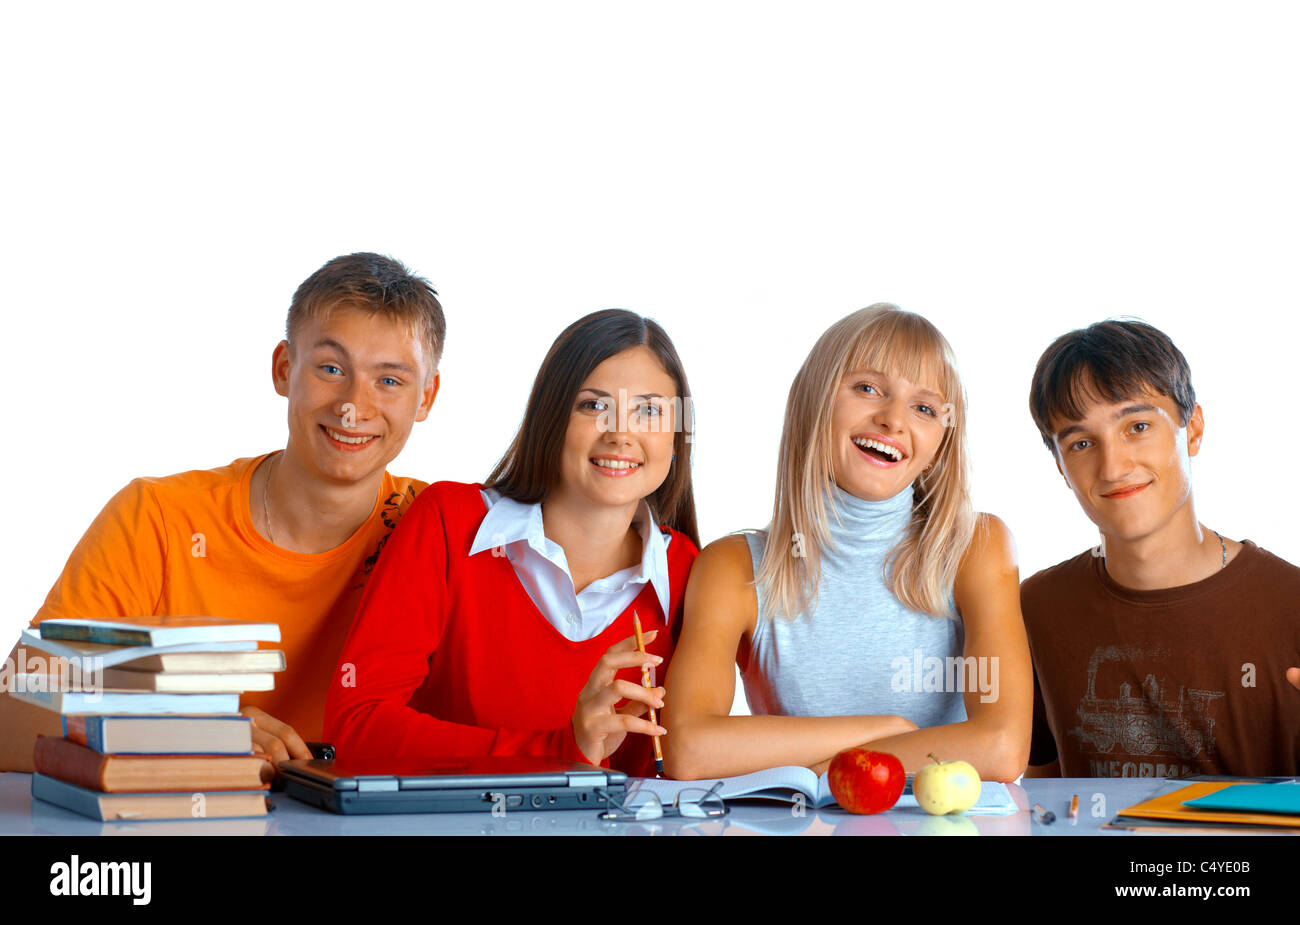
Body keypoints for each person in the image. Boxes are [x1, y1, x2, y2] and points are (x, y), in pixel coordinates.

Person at [0, 253, 444, 773]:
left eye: (389, 380)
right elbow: (12, 717)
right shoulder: (158, 518)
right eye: (331, 369)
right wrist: (195, 732)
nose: (353, 405)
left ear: (426, 397)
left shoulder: (438, 528)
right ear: (284, 369)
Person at [663, 304, 1031, 782]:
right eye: (867, 388)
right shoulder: (734, 566)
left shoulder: (976, 548)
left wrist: (835, 763)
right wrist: (886, 730)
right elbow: (689, 750)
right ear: (814, 401)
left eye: (923, 408)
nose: (893, 420)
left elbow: (1001, 748)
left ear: (942, 441)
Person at [324, 309, 700, 775]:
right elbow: (357, 728)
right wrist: (560, 751)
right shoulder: (448, 523)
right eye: (593, 405)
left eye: (649, 410)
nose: (621, 434)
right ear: (550, 417)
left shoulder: (692, 573)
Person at [1023, 319, 1300, 778]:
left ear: (1192, 430)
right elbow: (1042, 801)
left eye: (1137, 426)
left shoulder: (1291, 606)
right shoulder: (1035, 609)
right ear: (1059, 466)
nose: (1112, 467)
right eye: (1082, 443)